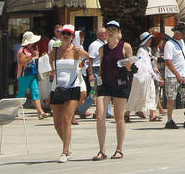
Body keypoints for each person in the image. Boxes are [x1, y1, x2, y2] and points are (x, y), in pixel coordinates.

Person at [46, 26, 90, 162]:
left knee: (66, 120)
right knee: (57, 124)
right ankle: (67, 145)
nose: (65, 36)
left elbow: (89, 57)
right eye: (63, 33)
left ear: (72, 37)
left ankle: (64, 152)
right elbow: (51, 66)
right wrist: (52, 72)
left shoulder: (75, 51)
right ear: (60, 36)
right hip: (58, 88)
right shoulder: (54, 51)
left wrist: (80, 51)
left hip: (73, 88)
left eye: (68, 34)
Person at [92, 23, 135, 160]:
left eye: (113, 30)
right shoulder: (102, 49)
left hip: (120, 84)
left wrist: (128, 64)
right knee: (100, 116)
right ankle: (102, 150)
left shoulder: (125, 46)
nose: (110, 32)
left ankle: (119, 149)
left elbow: (131, 67)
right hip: (105, 85)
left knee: (118, 117)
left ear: (118, 32)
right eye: (108, 30)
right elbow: (101, 69)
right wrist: (96, 86)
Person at [162, 23, 185, 129]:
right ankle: (169, 120)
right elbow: (168, 61)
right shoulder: (169, 44)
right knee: (171, 99)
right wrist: (177, 74)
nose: (184, 35)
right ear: (177, 33)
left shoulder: (181, 42)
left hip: (183, 75)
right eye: (183, 33)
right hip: (172, 76)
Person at [126, 31, 162, 123]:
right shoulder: (141, 51)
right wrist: (155, 76)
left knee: (151, 94)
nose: (151, 40)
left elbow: (150, 63)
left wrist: (154, 69)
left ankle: (153, 115)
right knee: (136, 94)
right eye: (150, 39)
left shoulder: (147, 50)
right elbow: (144, 65)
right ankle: (126, 114)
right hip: (141, 78)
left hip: (148, 77)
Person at [16, 31, 46, 119]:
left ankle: (40, 112)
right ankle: (15, 111)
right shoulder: (22, 51)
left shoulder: (30, 50)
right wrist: (31, 56)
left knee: (35, 92)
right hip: (24, 75)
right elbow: (22, 62)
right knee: (21, 94)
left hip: (32, 74)